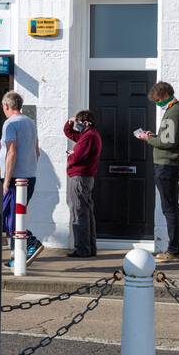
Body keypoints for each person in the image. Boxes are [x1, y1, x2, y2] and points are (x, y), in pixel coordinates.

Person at [137, 81, 179, 262]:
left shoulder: (174, 113)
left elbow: (168, 143)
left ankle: (173, 251)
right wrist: (155, 136)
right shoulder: (176, 110)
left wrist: (147, 139)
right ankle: (173, 249)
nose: (157, 104)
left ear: (165, 95)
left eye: (158, 100)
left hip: (167, 165)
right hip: (170, 165)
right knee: (171, 208)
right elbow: (167, 138)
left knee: (170, 209)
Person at [1, 91, 43, 266]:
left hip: (15, 179)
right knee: (16, 216)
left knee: (7, 218)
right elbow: (37, 151)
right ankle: (19, 257)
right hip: (29, 177)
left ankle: (32, 242)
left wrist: (6, 181)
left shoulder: (10, 123)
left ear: (7, 106)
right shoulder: (30, 122)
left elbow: (11, 152)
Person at [63, 110, 102, 258]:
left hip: (80, 178)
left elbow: (77, 157)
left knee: (79, 212)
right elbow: (69, 133)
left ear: (86, 123)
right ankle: (90, 248)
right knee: (86, 212)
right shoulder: (88, 135)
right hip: (85, 178)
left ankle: (82, 249)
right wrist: (70, 121)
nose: (76, 125)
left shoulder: (89, 136)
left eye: (78, 122)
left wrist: (70, 156)